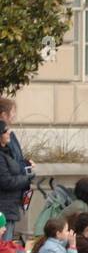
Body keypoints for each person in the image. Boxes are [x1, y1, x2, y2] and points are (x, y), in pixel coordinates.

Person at [0, 100, 34, 237]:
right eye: (13, 112)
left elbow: (15, 161)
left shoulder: (8, 144)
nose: (15, 115)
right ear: (3, 114)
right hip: (5, 204)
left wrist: (25, 164)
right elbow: (6, 179)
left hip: (11, 203)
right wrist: (27, 177)